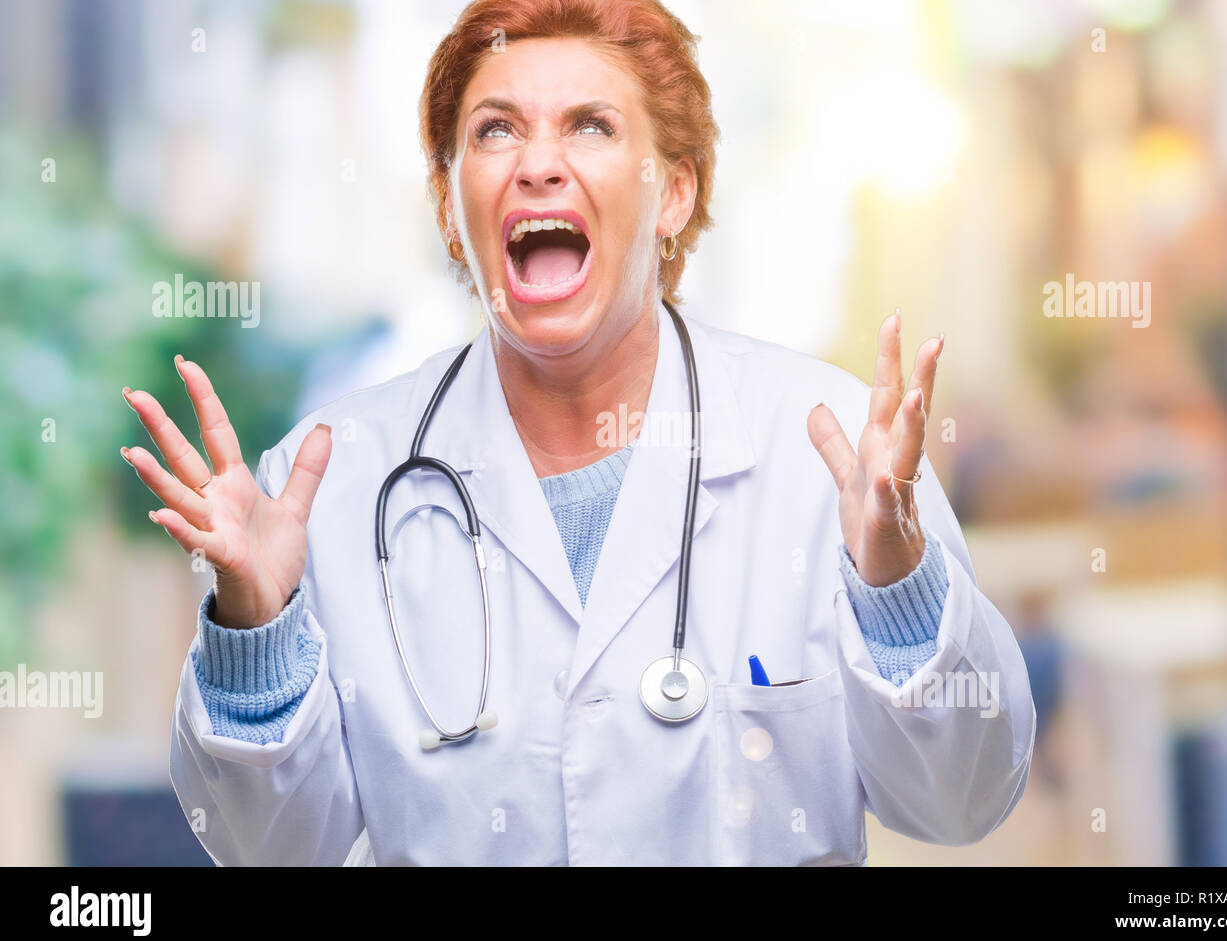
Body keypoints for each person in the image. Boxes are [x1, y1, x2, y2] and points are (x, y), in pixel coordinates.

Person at [122, 0, 1034, 865]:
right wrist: (255, 631)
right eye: (495, 130)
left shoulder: (823, 450)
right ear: (449, 204)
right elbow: (269, 849)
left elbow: (962, 799)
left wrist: (899, 587)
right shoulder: (334, 479)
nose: (538, 163)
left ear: (674, 194)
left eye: (592, 126)